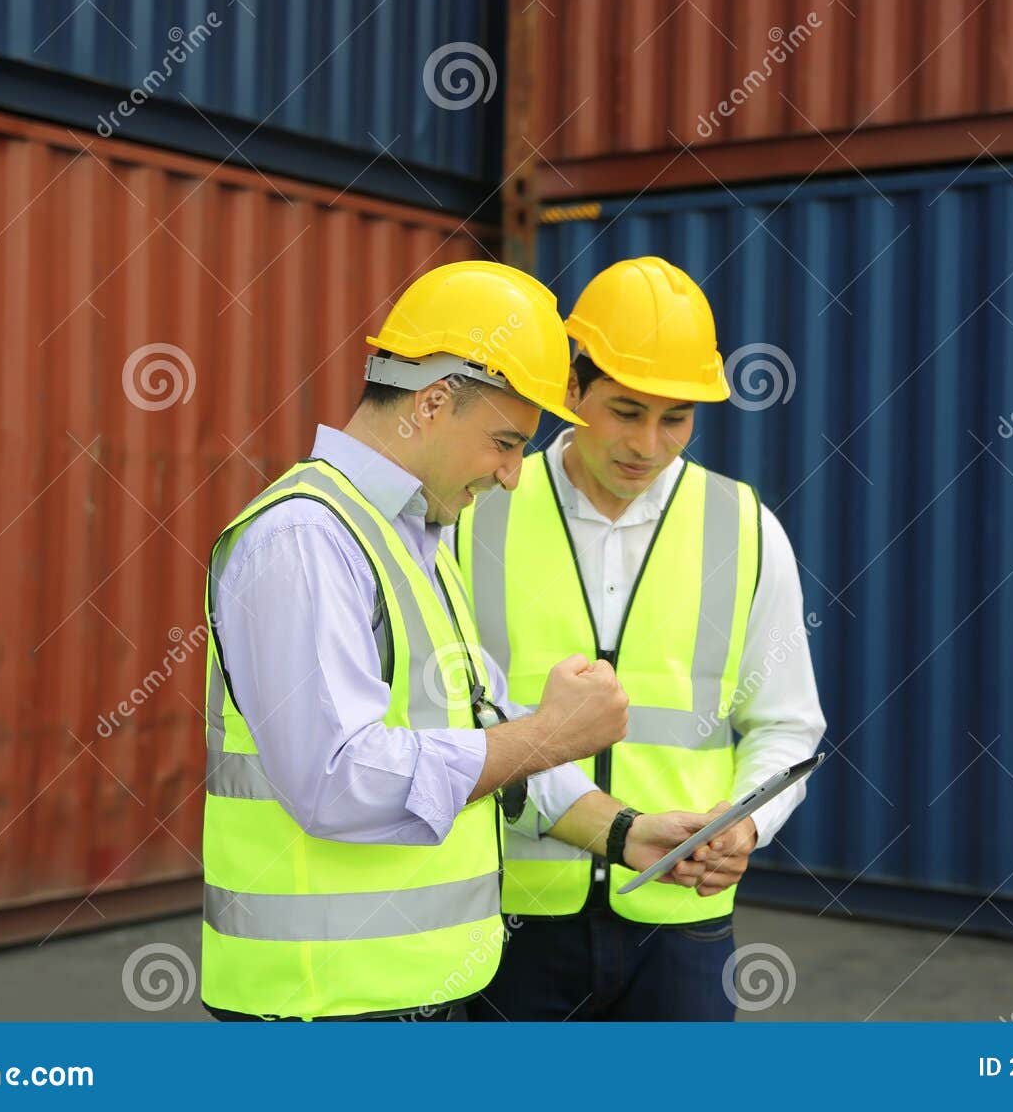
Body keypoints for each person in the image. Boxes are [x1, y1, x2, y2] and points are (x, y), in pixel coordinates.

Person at [198, 261, 713, 1022]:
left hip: (406, 1001)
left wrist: (627, 832)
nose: (513, 475)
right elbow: (338, 780)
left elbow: (484, 736)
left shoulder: (416, 542)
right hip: (321, 1014)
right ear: (433, 401)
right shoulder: (306, 537)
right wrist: (546, 735)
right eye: (505, 442)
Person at [456, 256, 826, 1021]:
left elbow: (787, 726)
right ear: (569, 390)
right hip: (509, 915)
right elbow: (458, 716)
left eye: (676, 418)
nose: (650, 446)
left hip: (681, 926)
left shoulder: (747, 529)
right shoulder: (474, 519)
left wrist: (747, 822)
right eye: (625, 411)